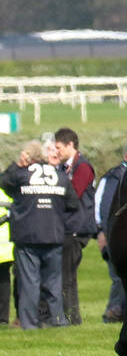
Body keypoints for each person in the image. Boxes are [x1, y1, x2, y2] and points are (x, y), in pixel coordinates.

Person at [1, 139, 78, 329]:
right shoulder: (60, 175)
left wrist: (17, 165)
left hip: (27, 236)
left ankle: (29, 323)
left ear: (28, 157)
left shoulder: (21, 174)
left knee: (29, 282)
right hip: (53, 234)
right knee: (53, 282)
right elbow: (73, 203)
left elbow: (3, 182)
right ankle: (57, 320)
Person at [95, 139, 127, 323]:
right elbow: (105, 206)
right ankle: (115, 312)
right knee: (121, 276)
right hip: (118, 234)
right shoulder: (115, 176)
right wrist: (104, 232)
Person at [53, 127, 96, 325]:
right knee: (65, 274)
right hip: (68, 227)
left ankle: (72, 317)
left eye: (59, 147)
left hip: (76, 228)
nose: (57, 151)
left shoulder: (83, 167)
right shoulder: (65, 168)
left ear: (70, 145)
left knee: (67, 276)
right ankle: (67, 315)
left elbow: (72, 194)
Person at [0, 186, 12, 326]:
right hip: (6, 247)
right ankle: (3, 318)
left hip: (3, 247)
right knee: (4, 282)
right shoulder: (5, 192)